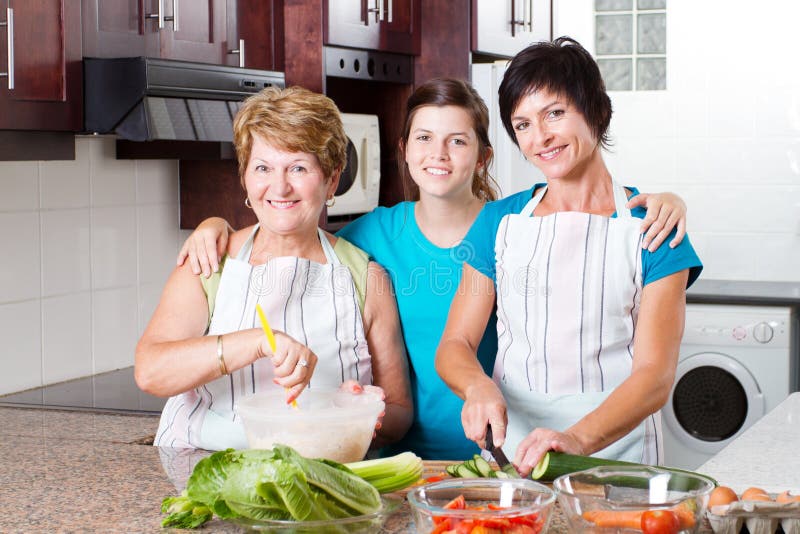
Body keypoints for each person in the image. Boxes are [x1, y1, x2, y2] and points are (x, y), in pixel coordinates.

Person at [176, 78, 689, 460]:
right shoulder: (368, 238)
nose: (437, 154)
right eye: (423, 137)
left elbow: (589, 247)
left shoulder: (508, 226)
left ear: (484, 156)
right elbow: (294, 233)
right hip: (401, 459)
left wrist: (662, 202)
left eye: (458, 141)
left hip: (502, 452)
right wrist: (217, 225)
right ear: (403, 150)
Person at [435, 37, 702, 475]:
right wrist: (476, 386)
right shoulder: (498, 222)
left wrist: (575, 439)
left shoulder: (652, 228)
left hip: (618, 457)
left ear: (596, 111)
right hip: (513, 452)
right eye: (522, 125)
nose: (540, 138)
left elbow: (654, 376)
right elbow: (455, 344)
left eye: (554, 114)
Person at [135, 86, 413, 451]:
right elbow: (151, 371)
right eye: (263, 167)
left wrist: (361, 410)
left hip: (317, 484)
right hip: (202, 471)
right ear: (245, 178)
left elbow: (398, 412)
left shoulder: (365, 277)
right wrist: (256, 342)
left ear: (331, 179)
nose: (279, 187)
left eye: (298, 167)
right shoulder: (210, 260)